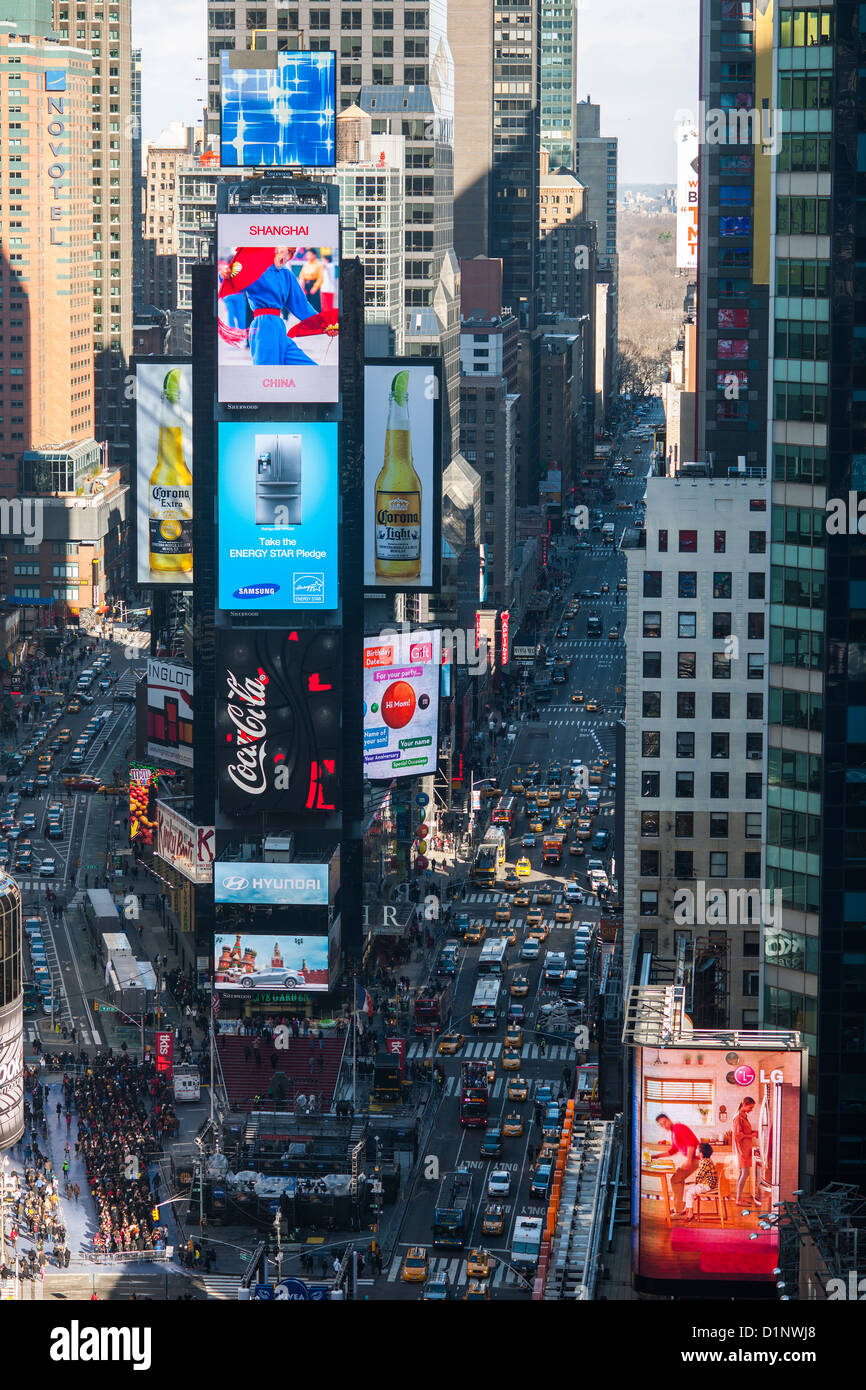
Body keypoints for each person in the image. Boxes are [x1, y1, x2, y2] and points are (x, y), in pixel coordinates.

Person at [655, 1113, 701, 1217]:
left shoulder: (679, 1128)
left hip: (695, 1159)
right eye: (662, 1125)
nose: (664, 1125)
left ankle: (679, 1209)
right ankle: (680, 1207)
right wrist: (657, 1156)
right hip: (693, 1158)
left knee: (675, 1180)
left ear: (669, 1119)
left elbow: (691, 1143)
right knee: (677, 1180)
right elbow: (673, 1150)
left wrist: (689, 1160)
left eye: (665, 1122)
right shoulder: (674, 1132)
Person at [683, 1143, 719, 1220]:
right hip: (705, 1184)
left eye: (697, 1149)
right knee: (685, 1188)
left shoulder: (705, 1162)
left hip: (707, 1185)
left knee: (689, 1192)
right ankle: (686, 1208)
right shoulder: (706, 1160)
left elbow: (699, 1176)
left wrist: (695, 1188)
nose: (696, 1150)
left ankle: (690, 1214)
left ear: (701, 1154)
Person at [733, 1097, 757, 1207]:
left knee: (742, 1174)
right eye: (750, 1107)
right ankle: (738, 1199)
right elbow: (738, 1136)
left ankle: (739, 1198)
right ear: (744, 1104)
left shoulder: (744, 1117)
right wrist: (751, 1135)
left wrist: (753, 1132)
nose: (751, 1109)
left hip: (745, 1149)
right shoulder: (738, 1118)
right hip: (742, 1150)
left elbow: (744, 1131)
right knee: (745, 1173)